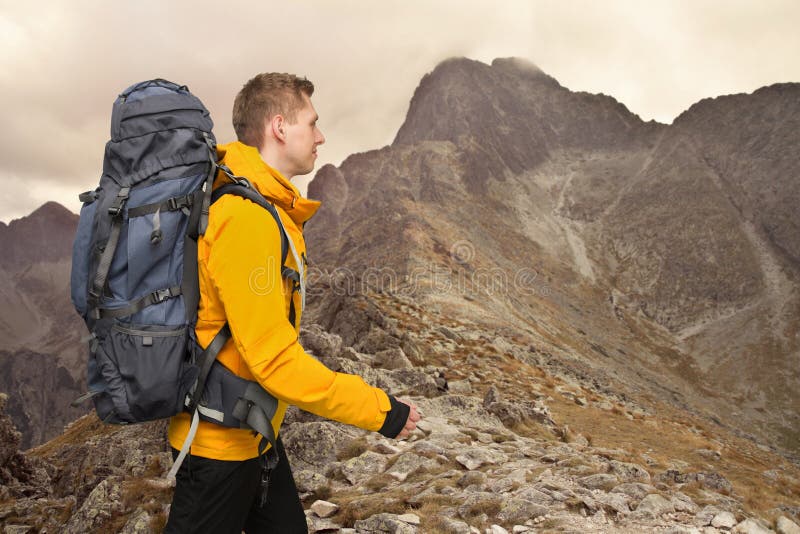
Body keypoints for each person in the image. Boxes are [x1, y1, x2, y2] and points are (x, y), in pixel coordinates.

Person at [165, 73, 421, 533]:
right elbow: (275, 361)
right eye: (313, 123)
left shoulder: (266, 207)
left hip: (253, 435)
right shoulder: (245, 218)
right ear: (279, 127)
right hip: (217, 451)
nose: (321, 137)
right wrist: (381, 411)